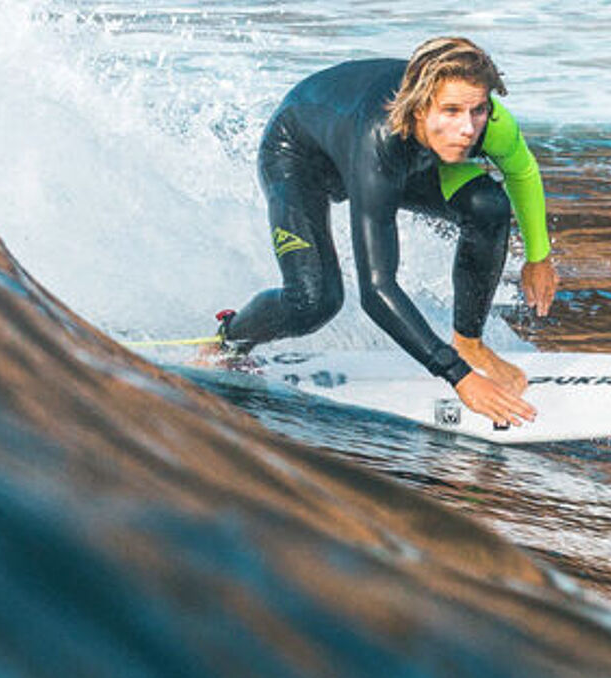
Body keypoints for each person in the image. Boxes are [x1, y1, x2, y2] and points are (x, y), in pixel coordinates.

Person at [216, 36, 558, 428]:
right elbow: (377, 290)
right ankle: (228, 341)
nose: (467, 128)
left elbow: (522, 172)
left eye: (477, 109)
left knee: (488, 206)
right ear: (418, 106)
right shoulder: (378, 143)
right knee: (315, 300)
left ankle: (470, 341)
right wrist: (458, 378)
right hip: (299, 155)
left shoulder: (487, 122)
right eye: (450, 111)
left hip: (406, 150)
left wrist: (538, 256)